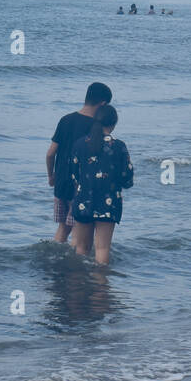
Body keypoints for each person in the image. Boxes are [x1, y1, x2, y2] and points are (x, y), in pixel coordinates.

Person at [46, 82, 113, 243]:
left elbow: (50, 154)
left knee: (63, 228)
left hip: (61, 181)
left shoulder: (65, 119)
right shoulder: (96, 127)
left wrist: (51, 176)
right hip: (82, 185)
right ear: (103, 104)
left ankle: (56, 259)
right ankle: (74, 265)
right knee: (79, 229)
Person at [68, 104, 133, 266]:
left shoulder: (80, 144)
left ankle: (79, 285)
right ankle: (100, 288)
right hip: (108, 203)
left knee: (81, 248)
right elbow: (127, 177)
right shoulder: (119, 146)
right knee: (102, 249)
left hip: (83, 200)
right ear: (114, 123)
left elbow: (74, 174)